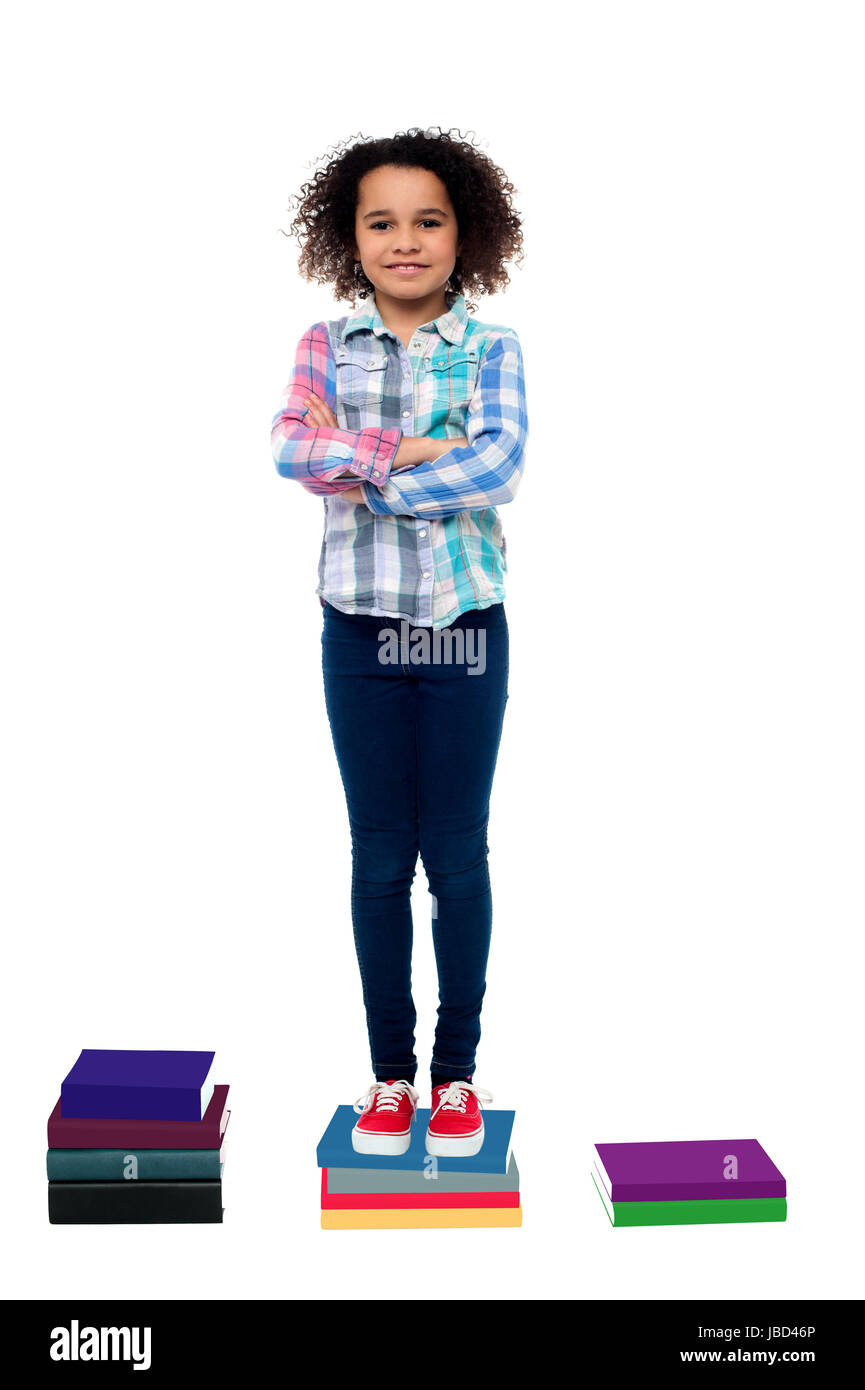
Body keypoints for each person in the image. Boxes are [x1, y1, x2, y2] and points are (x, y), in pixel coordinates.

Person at [271, 127, 527, 1158]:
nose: (405, 241)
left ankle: (456, 1077)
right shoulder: (320, 346)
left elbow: (500, 467)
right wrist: (427, 449)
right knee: (379, 856)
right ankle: (388, 1077)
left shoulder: (494, 349)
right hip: (360, 632)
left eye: (428, 220)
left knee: (454, 856)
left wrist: (361, 464)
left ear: (465, 232)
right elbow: (292, 449)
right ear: (351, 235)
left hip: (464, 633)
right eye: (382, 221)